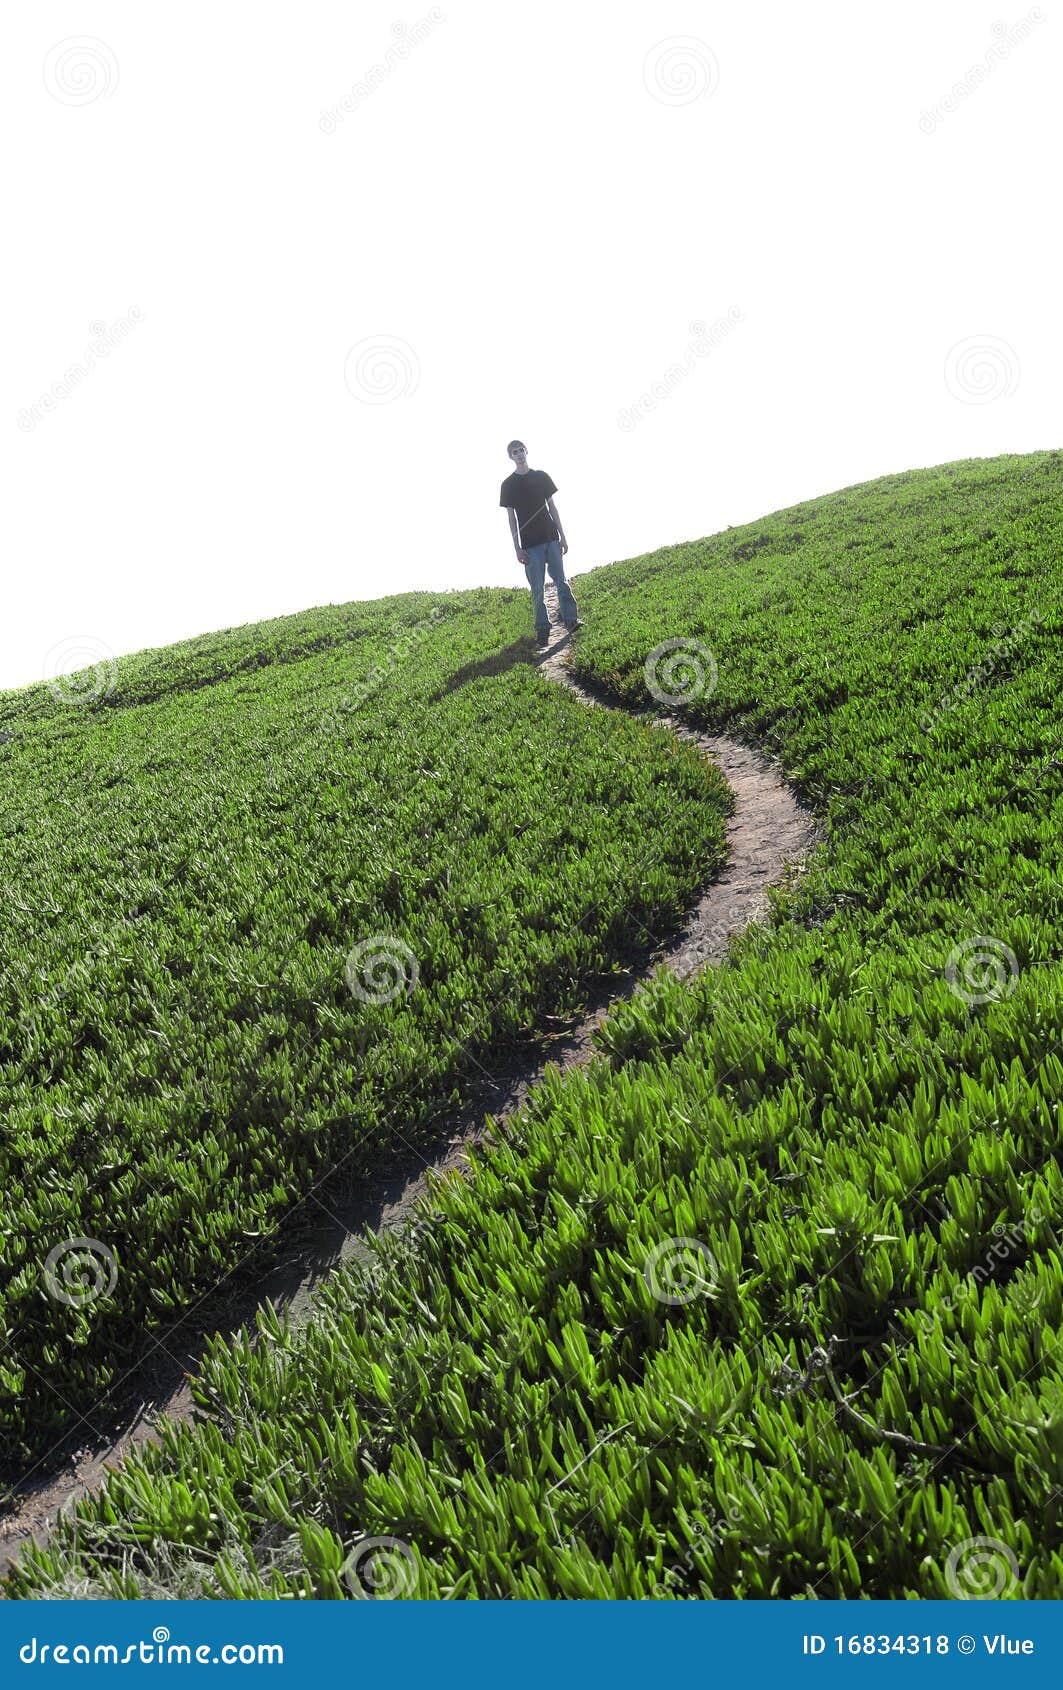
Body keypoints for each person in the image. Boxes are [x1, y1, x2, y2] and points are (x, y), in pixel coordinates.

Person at [499, 439, 581, 646]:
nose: (518, 454)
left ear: (526, 452)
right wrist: (517, 548)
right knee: (537, 588)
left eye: (520, 450)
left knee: (561, 581)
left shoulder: (541, 477)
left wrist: (563, 535)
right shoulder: (508, 485)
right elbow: (511, 519)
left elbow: (552, 507)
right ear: (510, 457)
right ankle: (542, 630)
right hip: (529, 544)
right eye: (514, 452)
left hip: (551, 537)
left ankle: (571, 620)